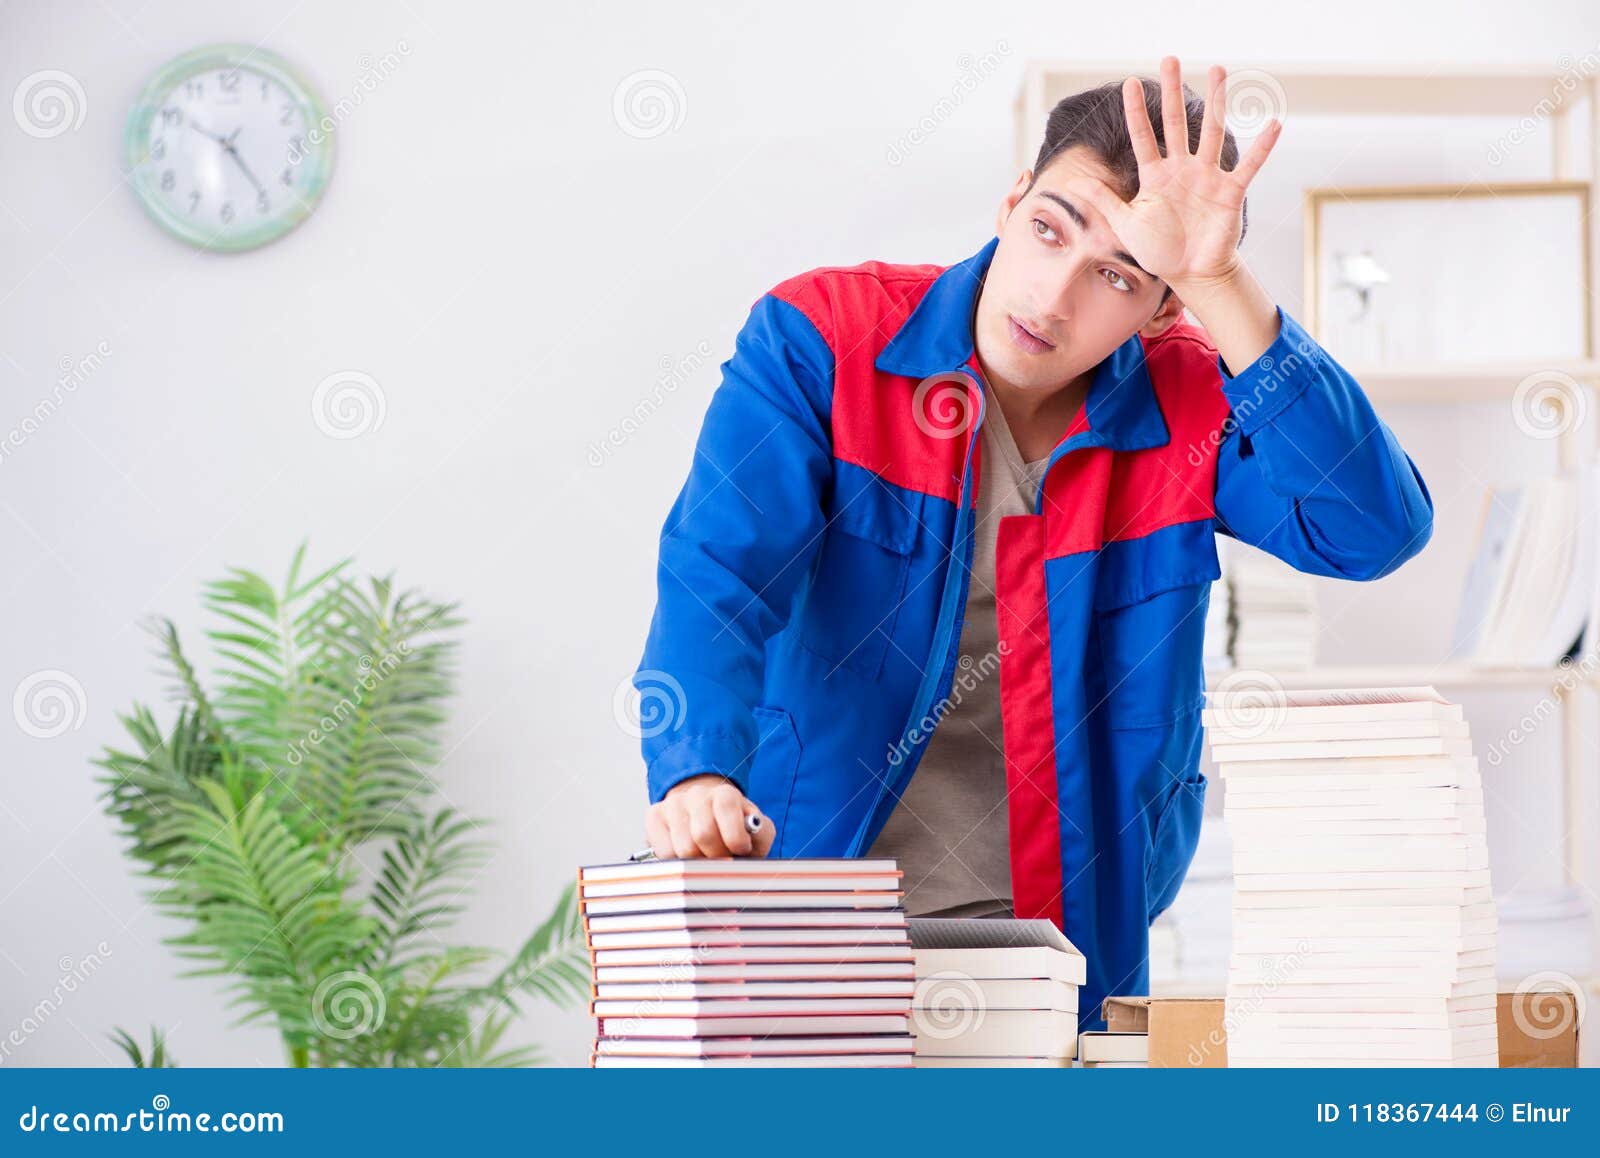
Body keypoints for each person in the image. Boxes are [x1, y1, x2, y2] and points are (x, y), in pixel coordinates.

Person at [630, 57, 1433, 1027]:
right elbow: (719, 576)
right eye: (1050, 229)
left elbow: (1370, 530)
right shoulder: (824, 339)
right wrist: (697, 768)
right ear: (1012, 201)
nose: (1052, 299)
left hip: (1065, 951)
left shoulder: (1187, 400)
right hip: (815, 926)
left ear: (1163, 306)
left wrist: (1220, 280)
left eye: (1116, 275)